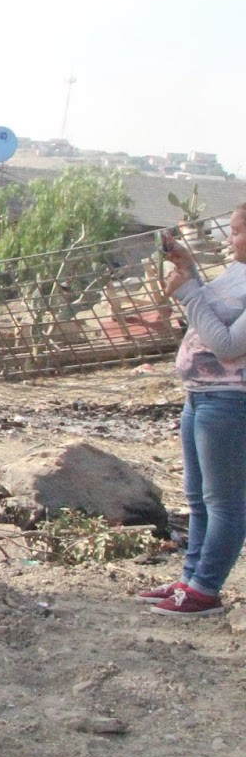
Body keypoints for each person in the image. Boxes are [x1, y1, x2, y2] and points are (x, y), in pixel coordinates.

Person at [143, 208, 246, 617]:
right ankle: (191, 579)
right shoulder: (238, 271)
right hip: (201, 396)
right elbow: (211, 310)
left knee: (225, 501)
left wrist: (187, 290)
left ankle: (206, 588)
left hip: (230, 399)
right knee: (199, 499)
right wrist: (188, 270)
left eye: (237, 232)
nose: (230, 238)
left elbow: (227, 345)